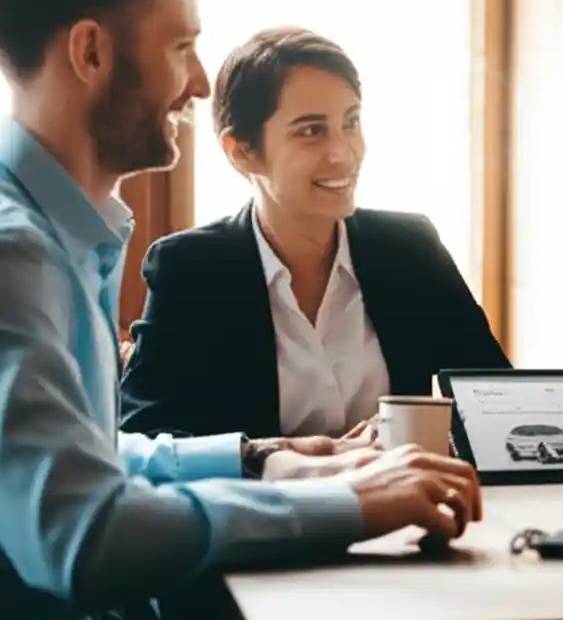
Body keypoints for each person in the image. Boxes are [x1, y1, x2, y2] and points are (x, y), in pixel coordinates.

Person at [0, 0, 480, 616]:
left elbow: (93, 459)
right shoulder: (19, 257)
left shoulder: (68, 238)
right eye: (179, 47)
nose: (198, 82)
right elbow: (85, 535)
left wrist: (264, 458)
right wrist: (349, 504)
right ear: (91, 52)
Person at [119, 27, 510, 440]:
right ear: (241, 152)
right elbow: (142, 434)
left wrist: (416, 434)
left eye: (351, 122)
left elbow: (495, 401)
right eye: (311, 131)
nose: (343, 153)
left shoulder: (410, 249)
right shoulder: (191, 269)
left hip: (403, 504)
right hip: (268, 503)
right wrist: (304, 458)